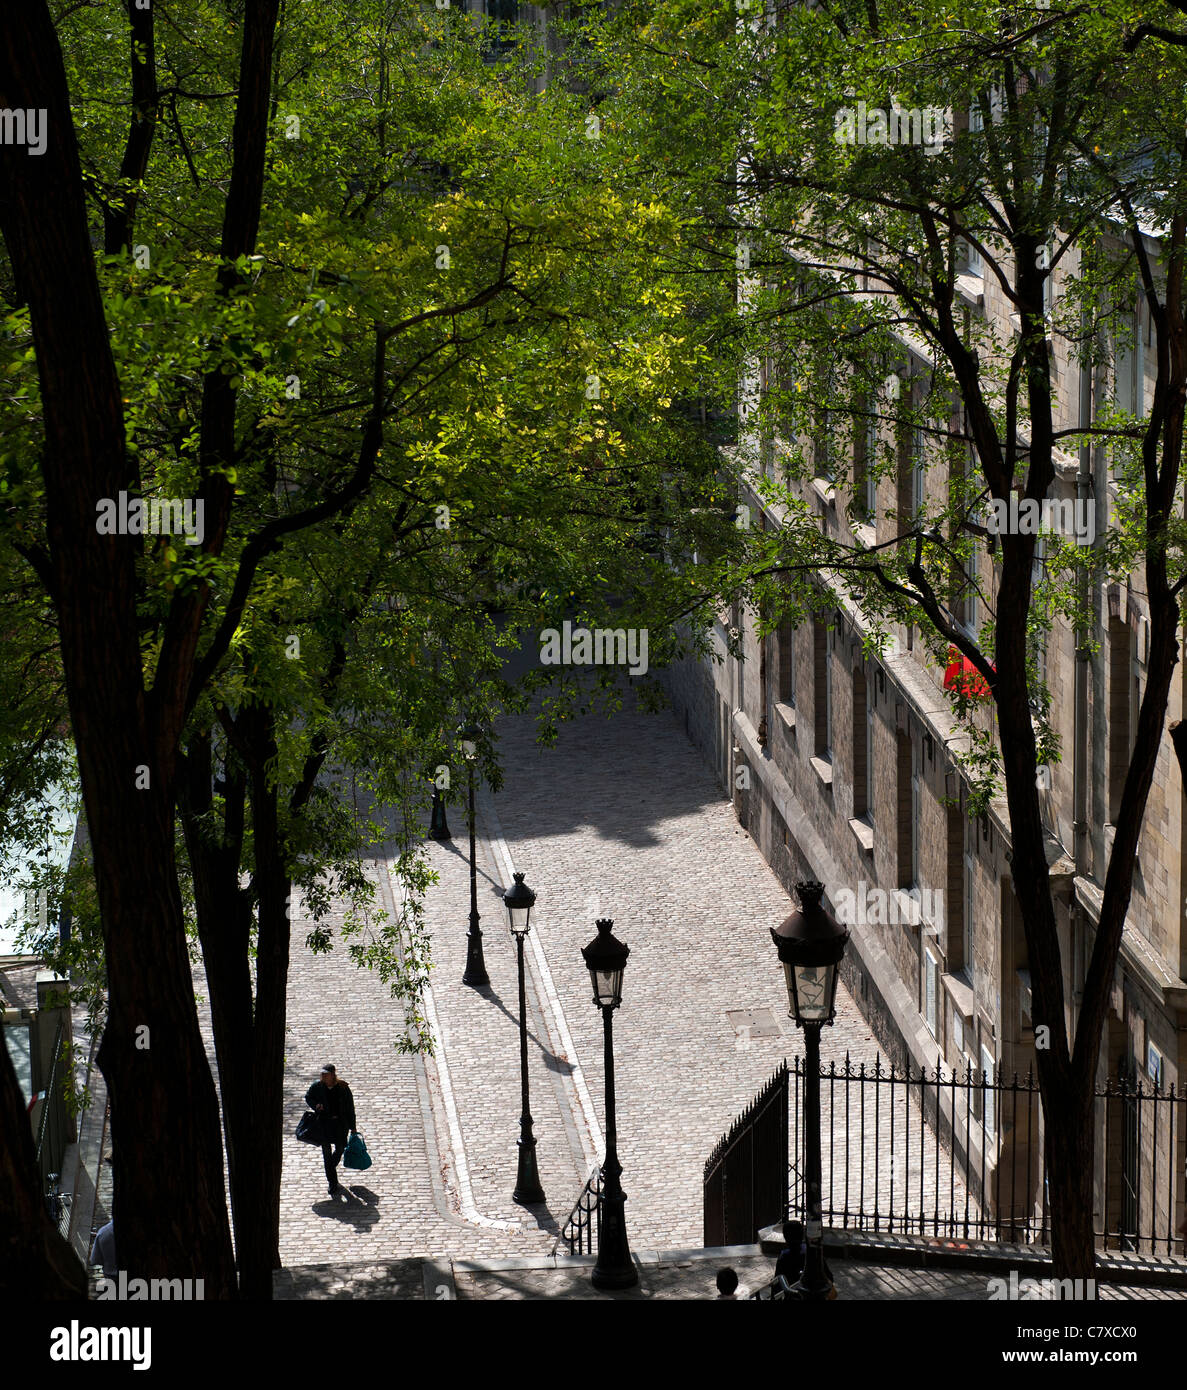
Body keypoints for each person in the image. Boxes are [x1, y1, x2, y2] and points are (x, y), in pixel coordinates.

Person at [305, 1064, 357, 1196]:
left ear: (333, 1074)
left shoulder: (343, 1088)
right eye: (322, 1074)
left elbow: (350, 1108)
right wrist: (316, 1106)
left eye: (326, 1074)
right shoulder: (317, 1086)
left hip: (340, 1124)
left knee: (340, 1149)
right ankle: (332, 1182)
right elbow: (308, 1097)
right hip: (324, 1124)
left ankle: (330, 1168)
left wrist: (353, 1127)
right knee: (326, 1152)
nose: (323, 1076)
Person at [774, 1218, 806, 1286]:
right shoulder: (812, 1253)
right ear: (802, 1235)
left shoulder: (784, 1257)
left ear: (785, 1238)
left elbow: (778, 1282)